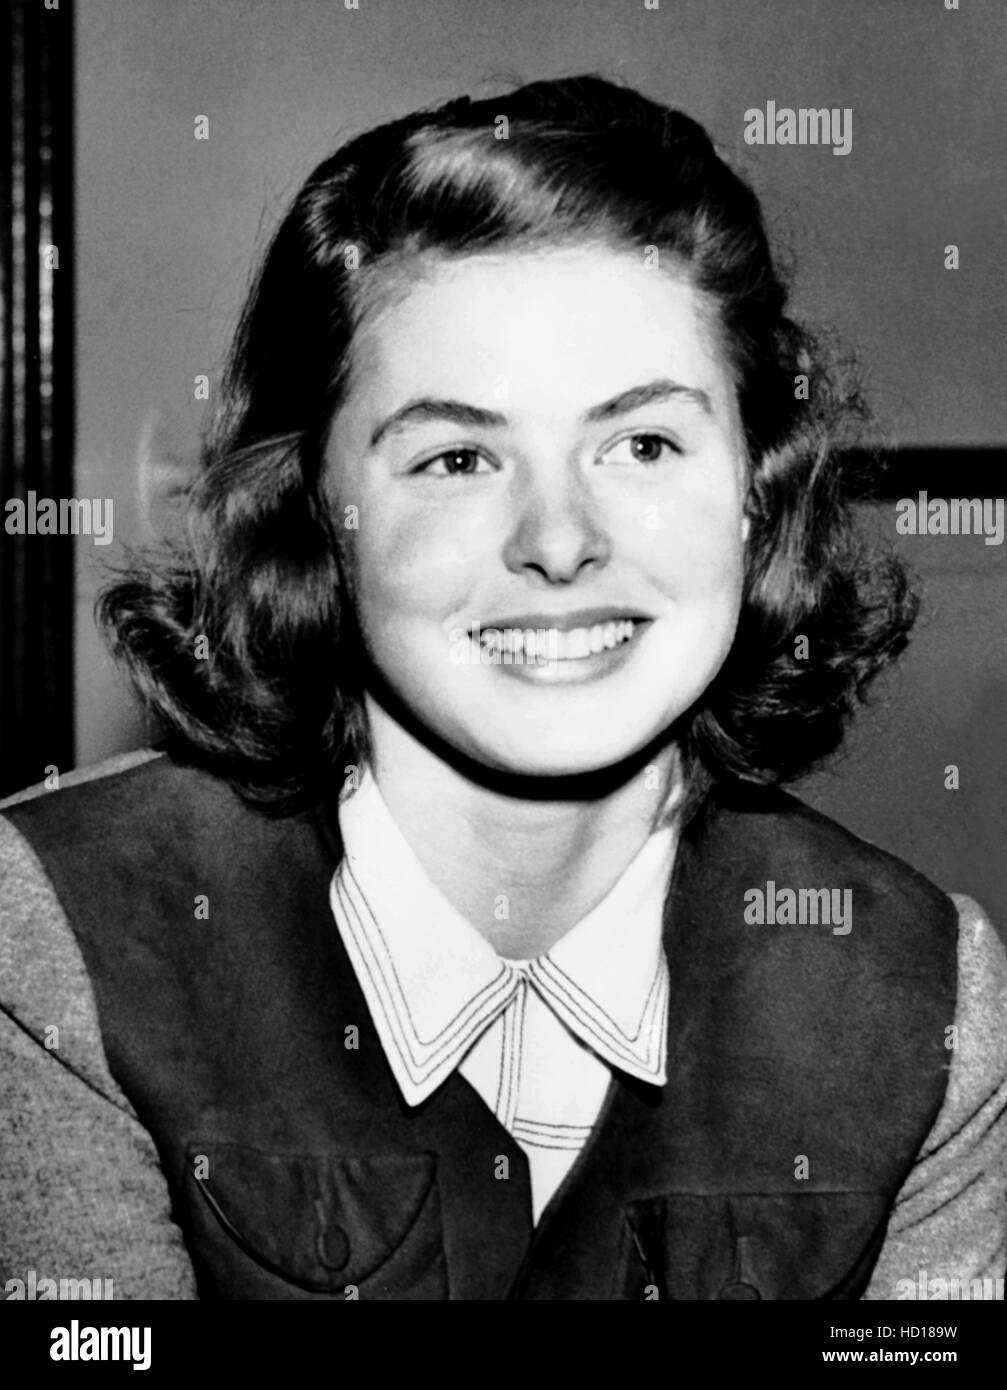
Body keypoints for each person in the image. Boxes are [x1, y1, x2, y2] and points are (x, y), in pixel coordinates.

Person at [1, 75, 1005, 1302]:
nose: (560, 539)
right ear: (316, 509)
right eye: (458, 456)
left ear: (756, 488)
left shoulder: (923, 1001)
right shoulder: (55, 931)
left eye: (641, 444)